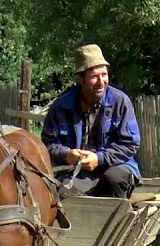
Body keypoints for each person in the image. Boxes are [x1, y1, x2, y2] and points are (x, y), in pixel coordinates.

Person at [41, 44, 141, 198]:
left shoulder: (120, 102)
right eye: (94, 76)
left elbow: (130, 144)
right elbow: (47, 144)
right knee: (62, 191)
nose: (101, 82)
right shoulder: (60, 107)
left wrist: (99, 158)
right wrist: (67, 154)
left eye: (104, 74)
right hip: (75, 172)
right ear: (80, 78)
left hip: (117, 166)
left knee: (114, 179)